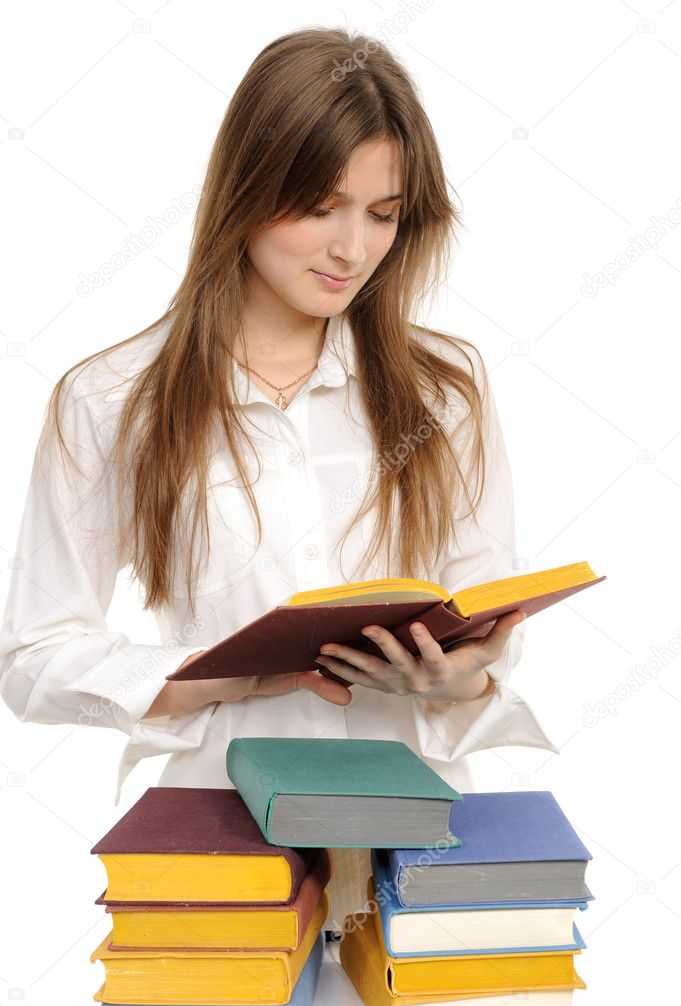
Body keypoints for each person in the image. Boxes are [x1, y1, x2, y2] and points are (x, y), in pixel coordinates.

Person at [0, 27, 557, 946]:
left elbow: (485, 611)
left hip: (411, 839)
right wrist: (209, 676)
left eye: (383, 214)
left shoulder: (445, 390)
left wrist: (459, 674)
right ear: (248, 191)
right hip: (221, 843)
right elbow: (32, 657)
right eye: (321, 206)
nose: (352, 248)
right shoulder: (110, 400)